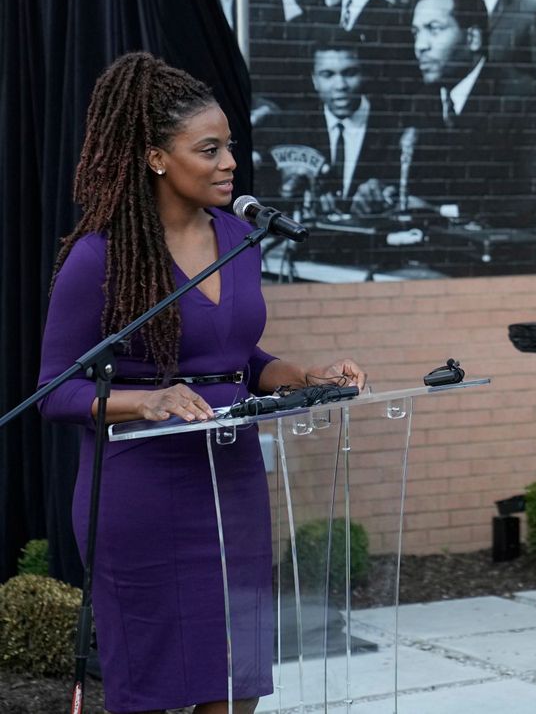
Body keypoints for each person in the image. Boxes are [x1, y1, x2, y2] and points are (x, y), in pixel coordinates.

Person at [37, 52, 366, 714]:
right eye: (208, 149)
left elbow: (238, 359)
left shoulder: (241, 237)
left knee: (236, 681)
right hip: (143, 490)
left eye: (230, 147)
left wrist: (302, 374)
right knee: (155, 684)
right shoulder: (100, 256)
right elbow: (55, 392)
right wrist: (148, 399)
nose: (228, 163)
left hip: (232, 483)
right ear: (158, 157)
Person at [409, 0, 536, 231]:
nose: (420, 45)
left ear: (473, 38)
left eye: (434, 29)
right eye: (415, 32)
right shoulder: (424, 100)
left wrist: (446, 211)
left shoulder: (525, 97)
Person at [257, 36, 407, 218]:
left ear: (364, 74)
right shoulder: (292, 125)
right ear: (315, 80)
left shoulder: (394, 127)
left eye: (350, 73)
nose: (340, 86)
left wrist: (384, 195)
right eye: (328, 75)